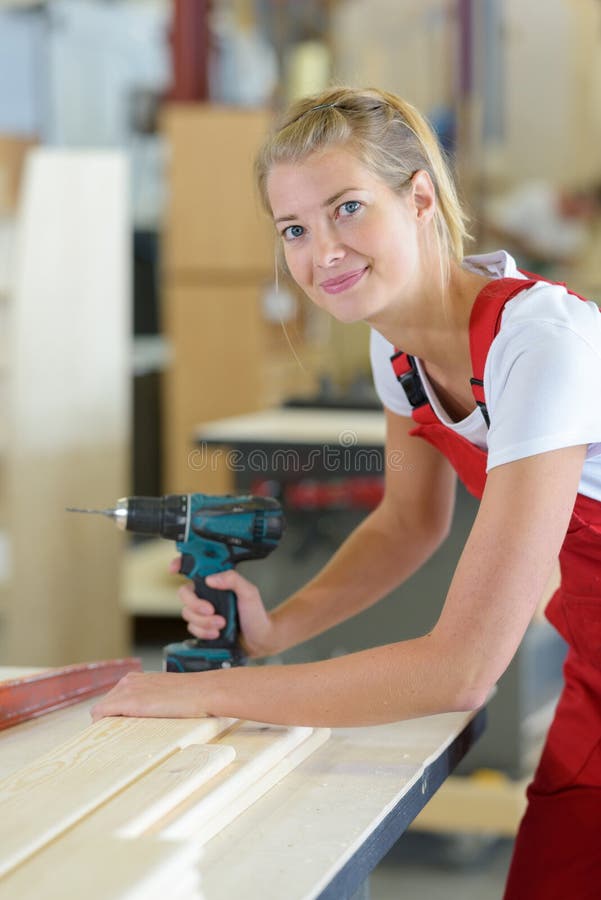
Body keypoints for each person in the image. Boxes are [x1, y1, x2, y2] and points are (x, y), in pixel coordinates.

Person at [92, 87, 601, 898]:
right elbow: (406, 525)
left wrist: (201, 694)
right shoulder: (396, 351)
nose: (321, 250)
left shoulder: (539, 345)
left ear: (420, 199)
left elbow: (463, 669)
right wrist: (273, 630)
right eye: (294, 229)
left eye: (348, 209)